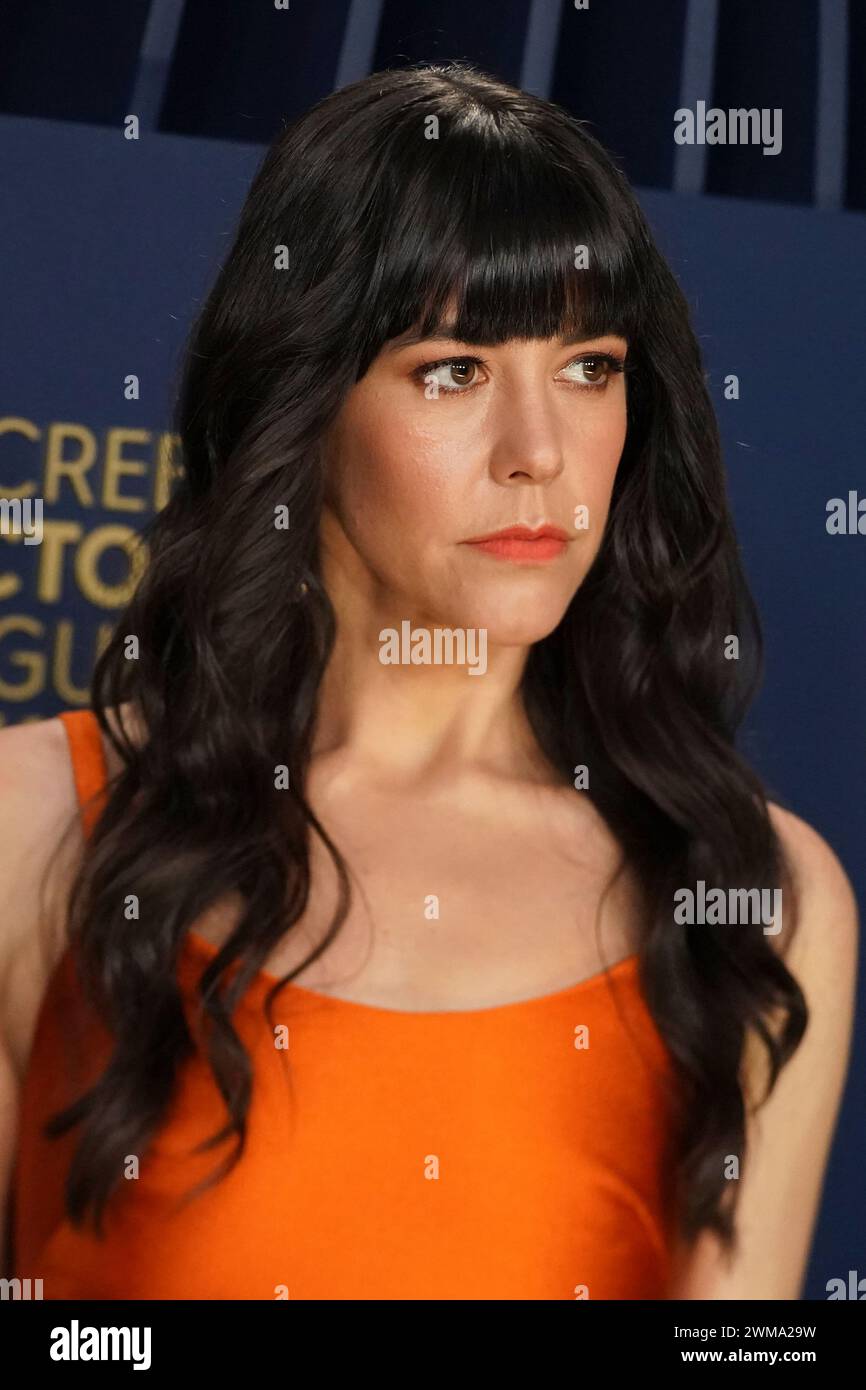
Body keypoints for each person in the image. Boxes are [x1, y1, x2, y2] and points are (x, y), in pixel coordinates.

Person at [0, 61, 857, 1300]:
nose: (539, 454)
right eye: (453, 369)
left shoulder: (752, 898)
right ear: (301, 401)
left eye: (589, 367)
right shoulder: (39, 827)